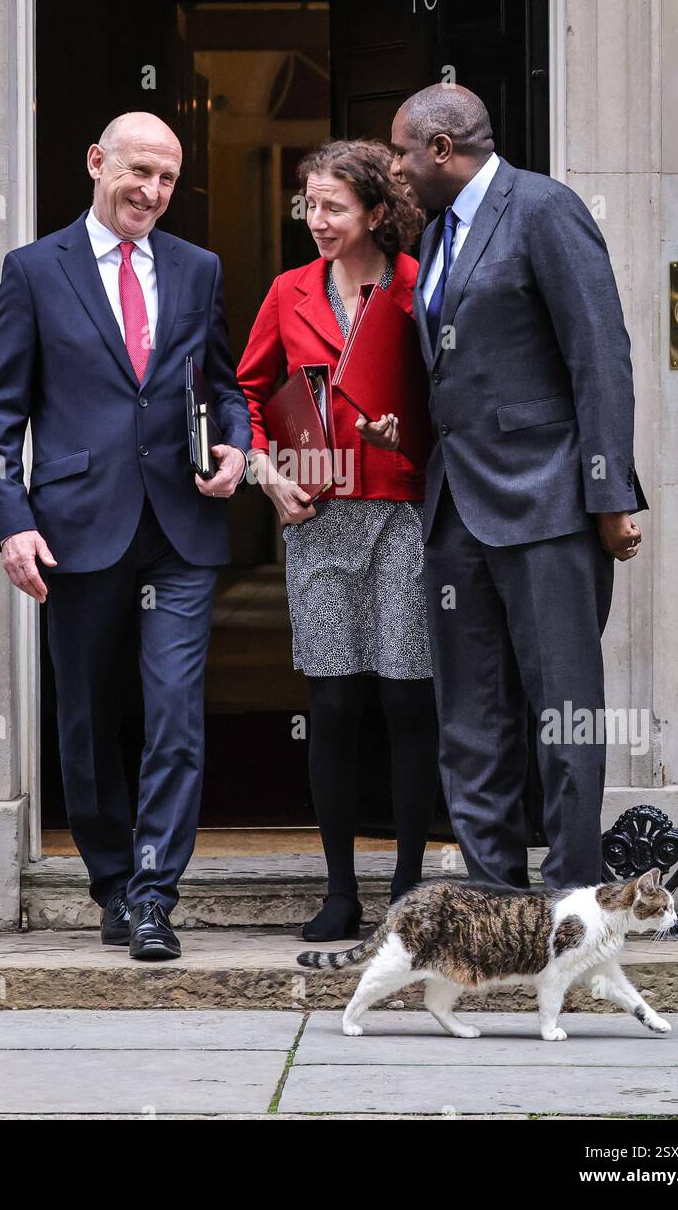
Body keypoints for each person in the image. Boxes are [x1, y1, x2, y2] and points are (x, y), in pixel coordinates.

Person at [0, 111, 250, 961]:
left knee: (174, 715)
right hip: (76, 530)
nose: (152, 192)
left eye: (167, 179)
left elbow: (227, 383)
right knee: (88, 720)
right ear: (96, 162)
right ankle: (113, 887)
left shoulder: (197, 268)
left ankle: (156, 894)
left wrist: (238, 445)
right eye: (138, 171)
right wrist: (11, 525)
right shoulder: (33, 271)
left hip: (179, 527)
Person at [388, 82, 647, 891]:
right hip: (456, 509)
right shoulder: (435, 235)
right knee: (470, 717)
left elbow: (599, 355)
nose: (394, 167)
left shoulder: (545, 209)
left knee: (563, 714)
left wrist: (609, 495)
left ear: (441, 149)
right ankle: (493, 899)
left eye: (401, 151)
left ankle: (573, 896)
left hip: (548, 506)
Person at [237, 139, 440, 941]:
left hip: (402, 510)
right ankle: (339, 890)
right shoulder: (288, 291)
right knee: (333, 698)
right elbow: (246, 391)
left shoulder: (420, 286)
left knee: (405, 696)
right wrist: (263, 469)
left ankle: (410, 885)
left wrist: (412, 434)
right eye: (309, 206)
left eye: (334, 207)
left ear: (377, 214)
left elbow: (454, 391)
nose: (316, 220)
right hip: (316, 519)